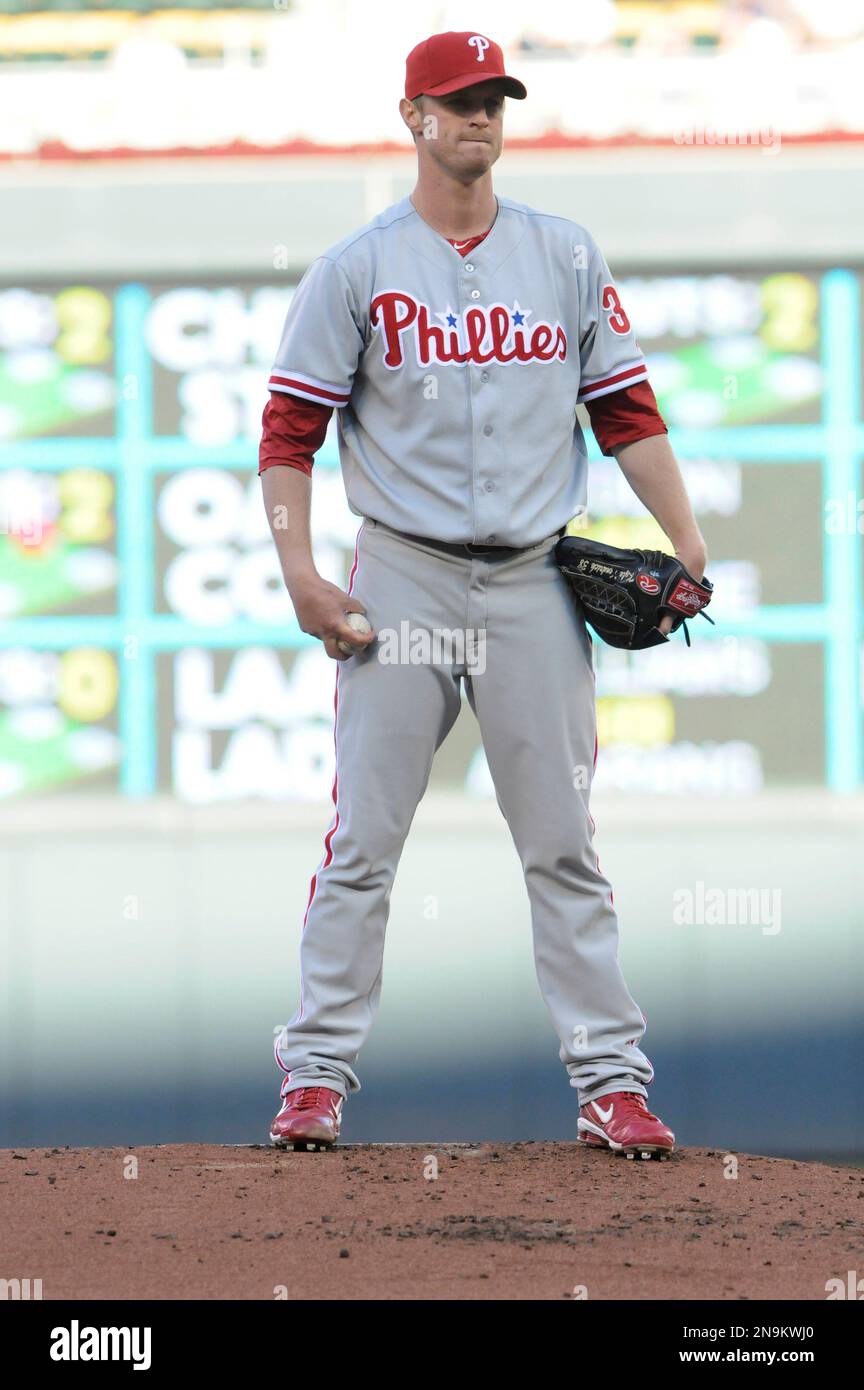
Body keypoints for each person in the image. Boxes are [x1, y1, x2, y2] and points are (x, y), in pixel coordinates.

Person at [259, 30, 707, 1159]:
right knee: (363, 837)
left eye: (494, 100)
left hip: (528, 580)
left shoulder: (561, 256)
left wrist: (688, 544)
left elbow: (629, 413)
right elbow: (290, 432)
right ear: (412, 116)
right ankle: (313, 1076)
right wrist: (302, 574)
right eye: (459, 102)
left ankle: (611, 1082)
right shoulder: (357, 268)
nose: (481, 118)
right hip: (401, 575)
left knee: (564, 841)